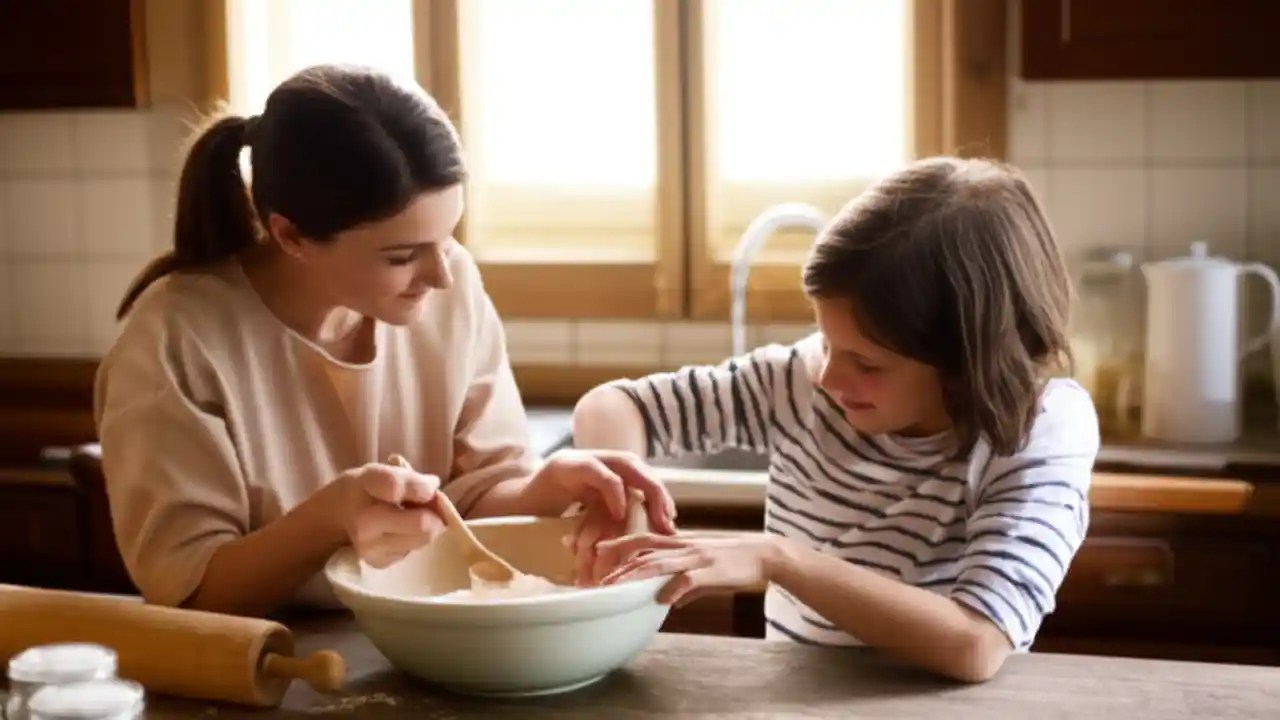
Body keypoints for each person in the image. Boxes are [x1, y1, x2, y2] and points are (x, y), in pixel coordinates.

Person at [94, 64, 675, 619]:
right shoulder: (175, 338)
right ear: (290, 235)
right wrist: (331, 517)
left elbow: (471, 502)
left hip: (418, 646)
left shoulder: (450, 290)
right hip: (270, 667)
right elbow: (191, 594)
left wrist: (542, 489)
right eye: (401, 256)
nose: (442, 276)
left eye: (446, 240)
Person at [573, 157, 1100, 682]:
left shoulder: (1041, 427)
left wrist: (778, 560)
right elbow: (614, 406)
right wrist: (622, 503)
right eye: (826, 341)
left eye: (867, 364)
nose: (828, 376)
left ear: (965, 362)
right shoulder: (799, 382)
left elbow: (975, 643)